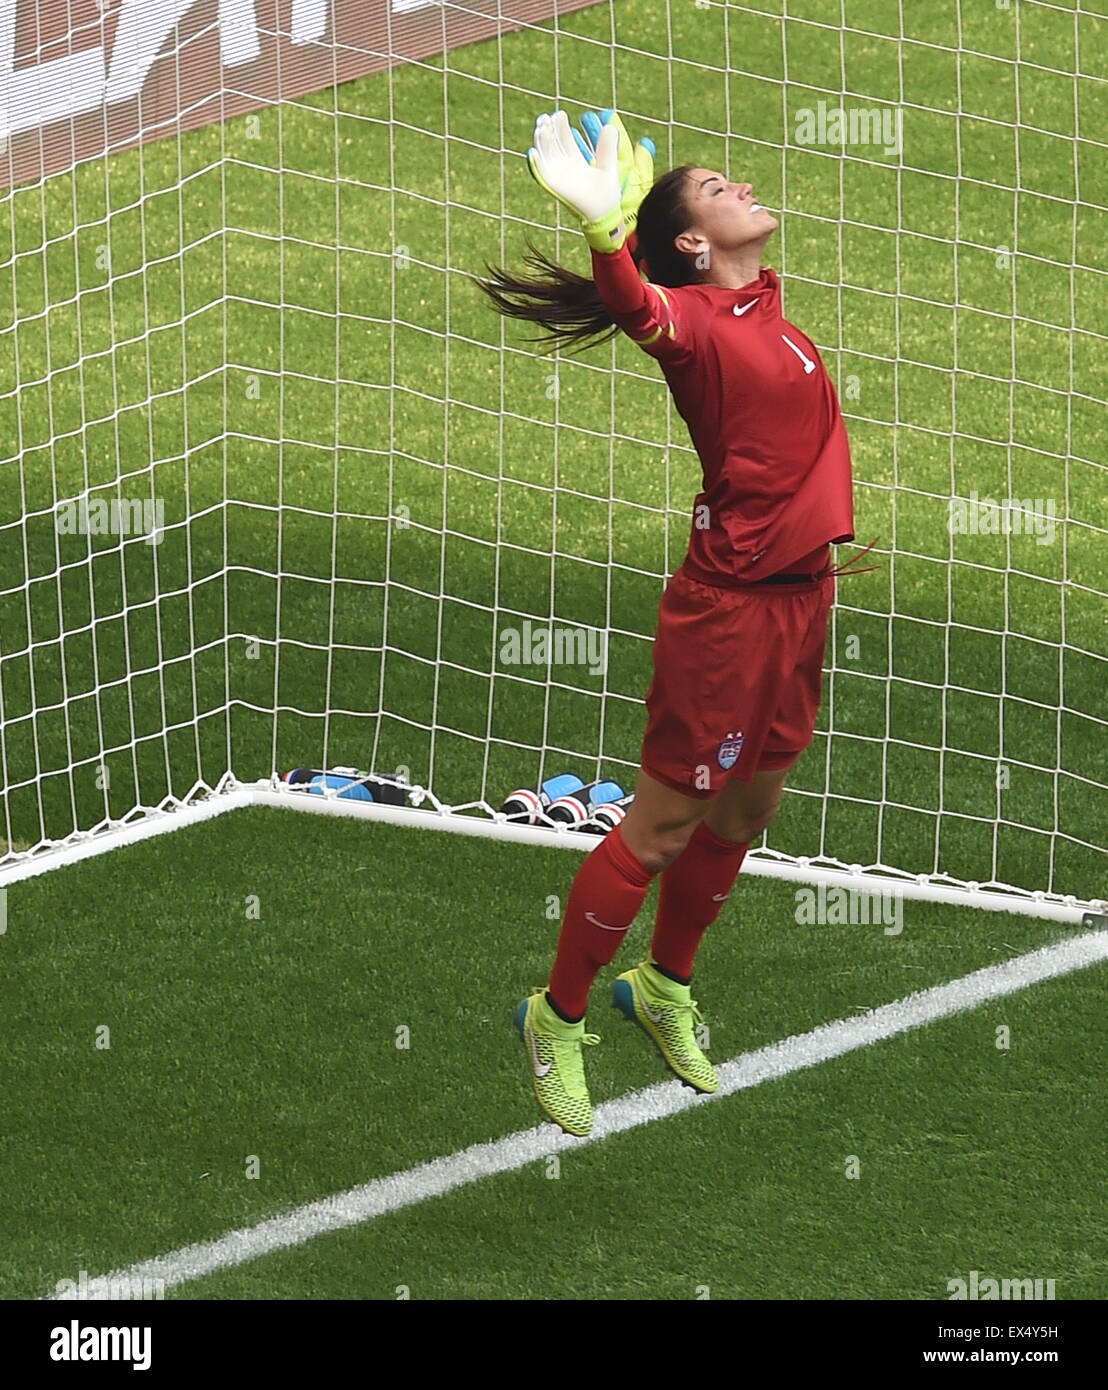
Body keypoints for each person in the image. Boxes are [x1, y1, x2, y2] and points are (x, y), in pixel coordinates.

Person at [477, 109, 868, 1136]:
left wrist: (651, 220)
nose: (741, 187)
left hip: (800, 601)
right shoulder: (692, 325)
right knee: (661, 828)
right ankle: (554, 1016)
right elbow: (635, 305)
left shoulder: (766, 306)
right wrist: (611, 233)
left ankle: (662, 984)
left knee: (745, 813)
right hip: (729, 615)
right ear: (692, 246)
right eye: (717, 189)